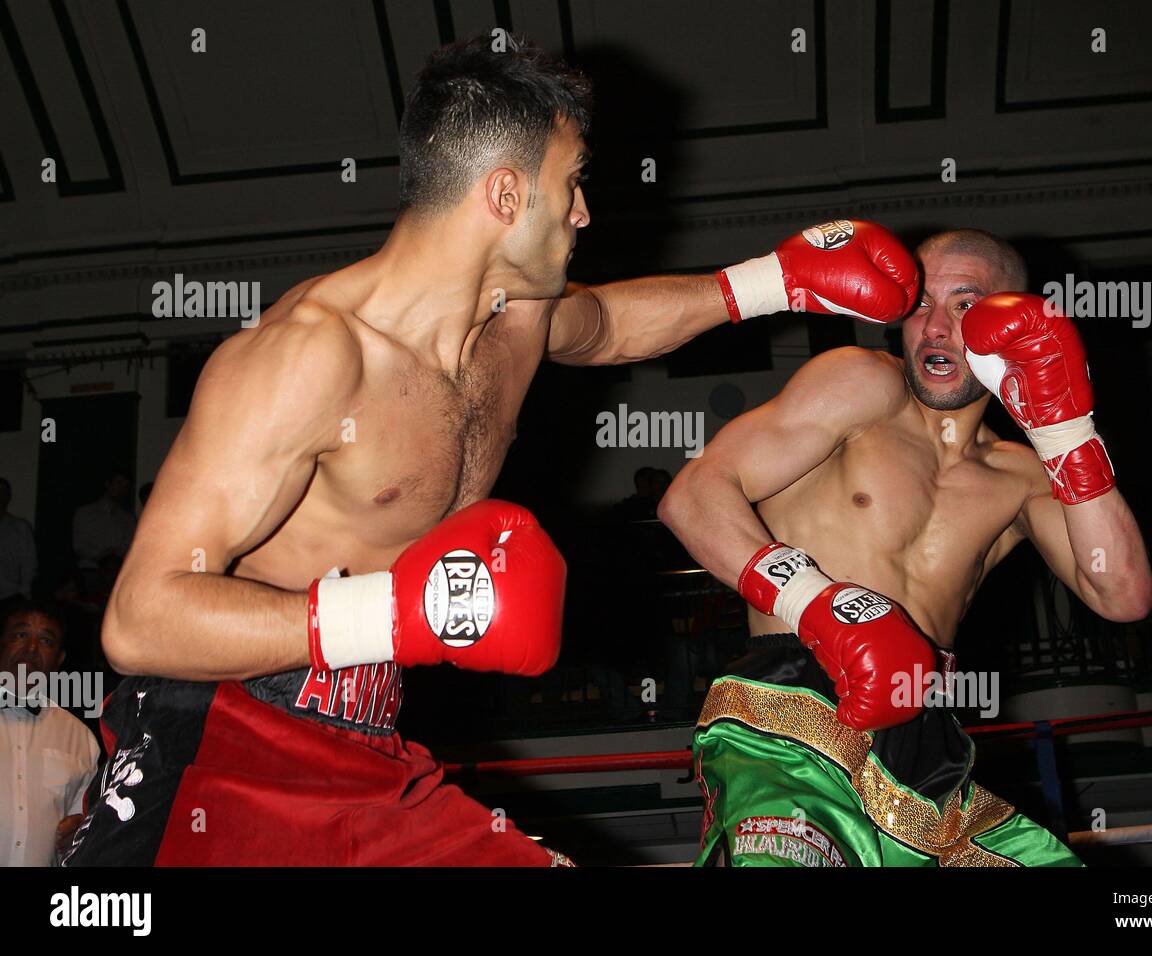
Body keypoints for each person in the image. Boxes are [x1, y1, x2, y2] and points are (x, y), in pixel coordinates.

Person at [65, 35, 919, 866]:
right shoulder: (311, 356)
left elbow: (614, 324)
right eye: (573, 183)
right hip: (223, 745)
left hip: (368, 741)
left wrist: (779, 279)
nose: (585, 211)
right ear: (506, 195)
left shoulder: (517, 320)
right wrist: (402, 615)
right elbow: (140, 619)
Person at [659, 228, 1152, 867]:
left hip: (925, 744)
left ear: (1016, 321)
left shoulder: (1023, 474)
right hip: (792, 710)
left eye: (967, 304)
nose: (936, 326)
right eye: (922, 303)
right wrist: (817, 606)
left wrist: (1066, 431)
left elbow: (1123, 593)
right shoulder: (861, 383)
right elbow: (694, 496)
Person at [0, 600, 100, 866]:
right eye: (21, 635)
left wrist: (79, 831)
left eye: (46, 641)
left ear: (59, 659)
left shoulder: (82, 739)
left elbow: (83, 825)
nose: (31, 649)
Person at [0, 479, 37, 602]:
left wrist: (24, 591)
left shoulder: (20, 527)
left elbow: (28, 561)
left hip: (10, 595)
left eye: (3, 492)